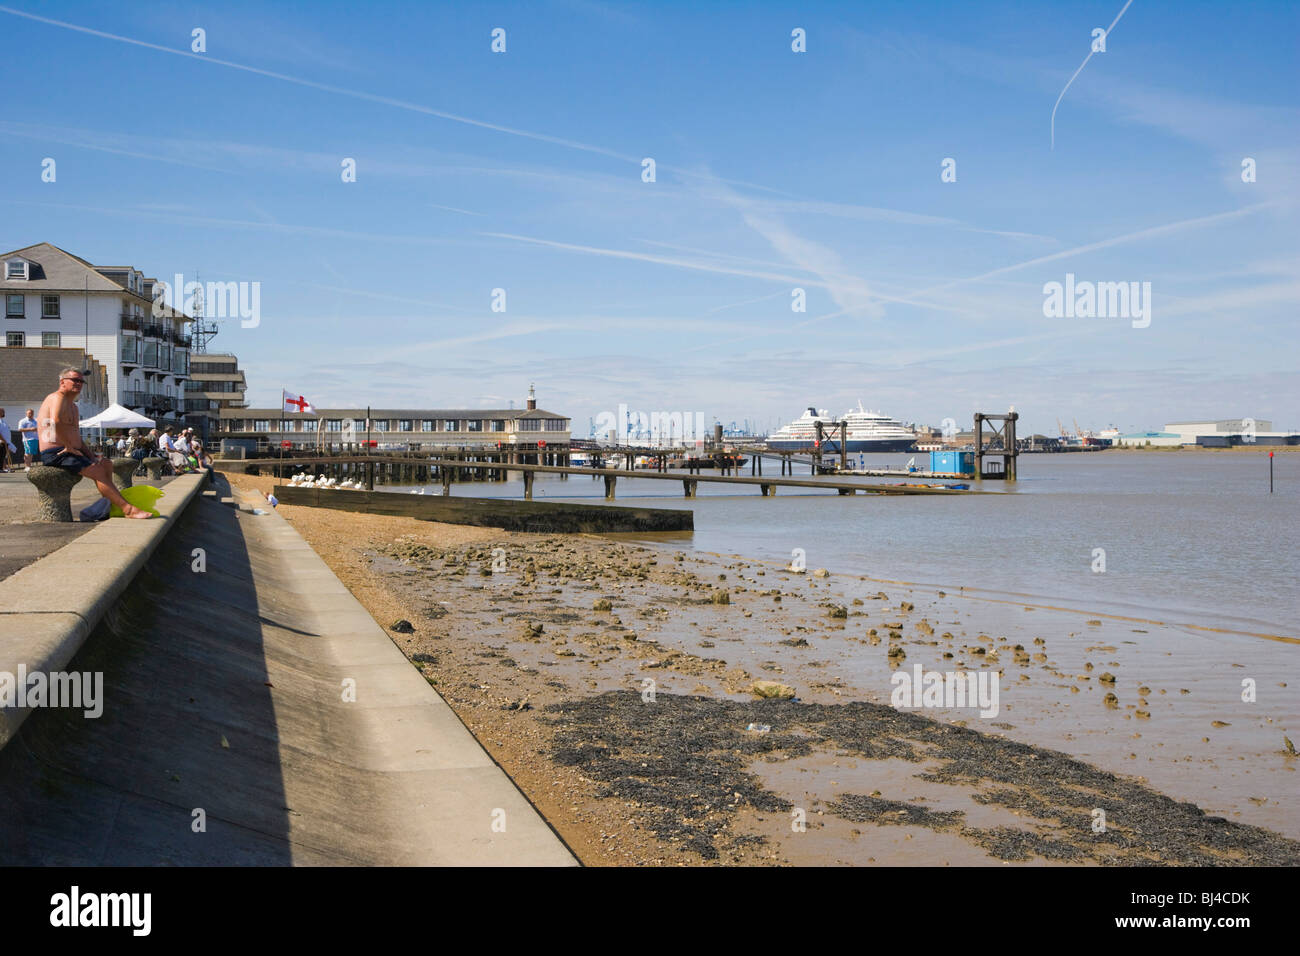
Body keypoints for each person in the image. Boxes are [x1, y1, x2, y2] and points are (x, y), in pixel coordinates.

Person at [36, 368, 152, 519]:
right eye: (74, 380)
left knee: (105, 464)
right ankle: (128, 509)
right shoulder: (57, 397)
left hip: (70, 450)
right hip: (56, 452)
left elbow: (75, 436)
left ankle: (105, 506)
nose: (78, 383)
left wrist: (90, 455)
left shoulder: (73, 406)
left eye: (81, 381)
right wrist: (68, 446)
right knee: (97, 471)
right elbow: (55, 422)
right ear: (62, 382)